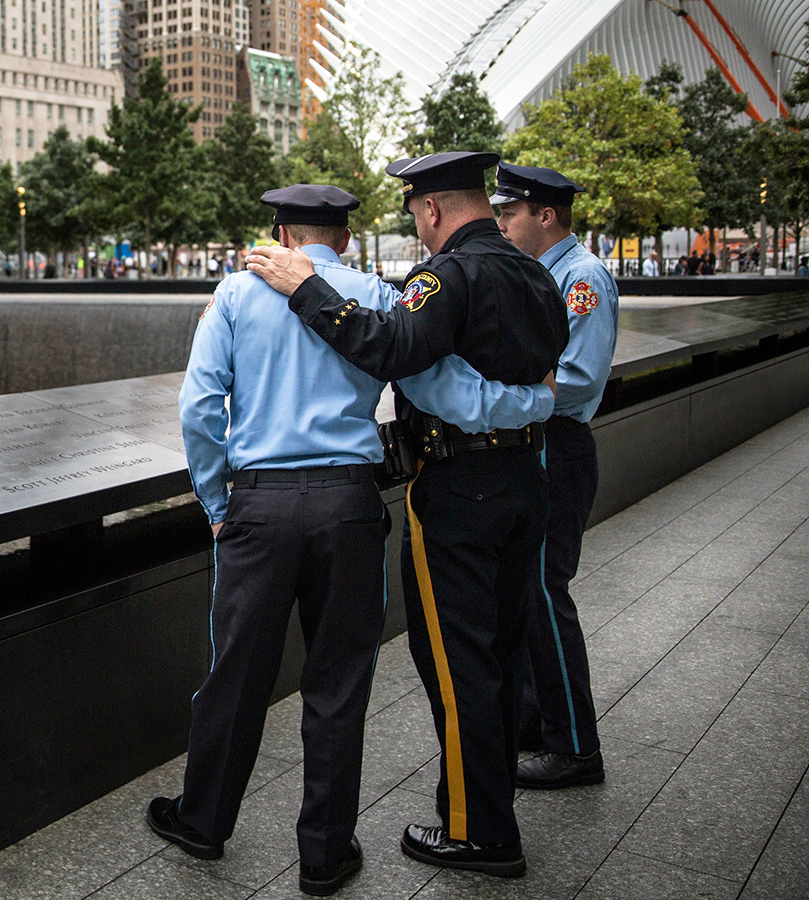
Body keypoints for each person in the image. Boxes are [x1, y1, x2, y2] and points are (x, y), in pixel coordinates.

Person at [153, 184, 556, 896]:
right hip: (349, 507)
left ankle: (203, 821)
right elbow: (433, 386)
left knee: (235, 676)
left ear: (278, 232)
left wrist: (218, 501)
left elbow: (198, 407)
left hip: (259, 507)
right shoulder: (379, 297)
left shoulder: (237, 295)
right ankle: (326, 854)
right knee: (339, 684)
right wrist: (533, 402)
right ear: (343, 237)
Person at [492, 164, 618, 790]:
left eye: (510, 213)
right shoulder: (538, 275)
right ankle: (535, 728)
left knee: (545, 593)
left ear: (545, 215)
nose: (502, 224)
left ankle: (574, 745)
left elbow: (578, 379)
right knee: (526, 594)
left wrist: (500, 389)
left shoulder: (582, 278)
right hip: (533, 445)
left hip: (557, 448)